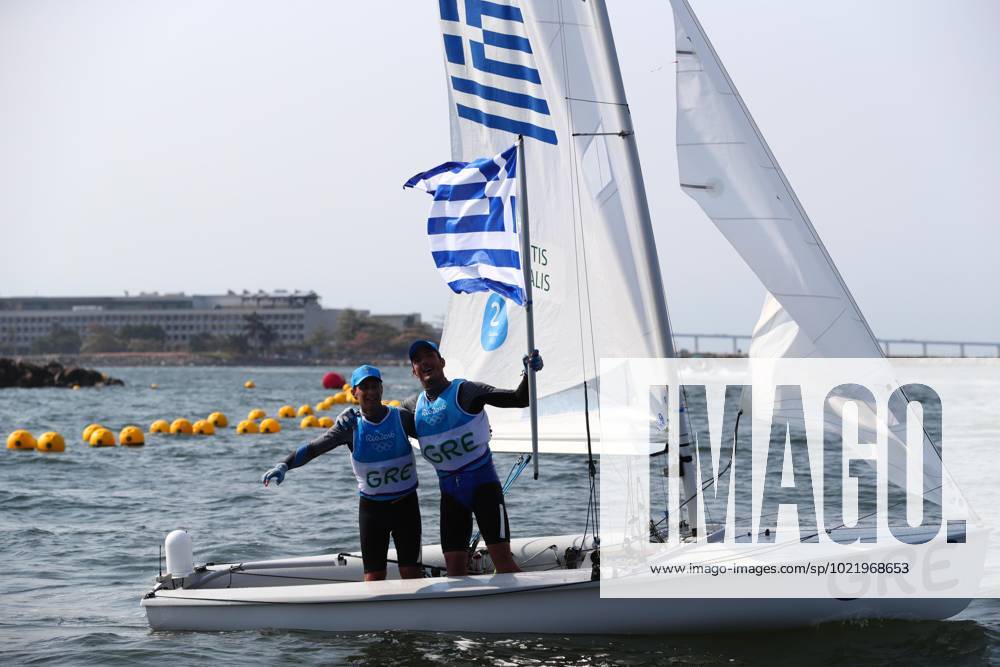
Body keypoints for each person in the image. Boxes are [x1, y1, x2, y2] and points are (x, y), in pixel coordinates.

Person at [261, 365, 422, 582]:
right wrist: (284, 465)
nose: (371, 392)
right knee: (374, 577)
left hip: (406, 507)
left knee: (412, 573)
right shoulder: (350, 426)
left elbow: (432, 429)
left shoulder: (401, 418)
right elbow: (313, 448)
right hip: (373, 511)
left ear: (382, 389)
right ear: (354, 393)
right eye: (365, 387)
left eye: (375, 386)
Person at [402, 339, 543, 576]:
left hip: (484, 489)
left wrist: (529, 373)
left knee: (505, 565)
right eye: (417, 360)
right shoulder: (411, 408)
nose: (424, 362)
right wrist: (357, 420)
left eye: (430, 355)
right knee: (455, 572)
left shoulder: (466, 391)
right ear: (414, 371)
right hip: (451, 497)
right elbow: (382, 426)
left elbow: (520, 399)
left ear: (442, 362)